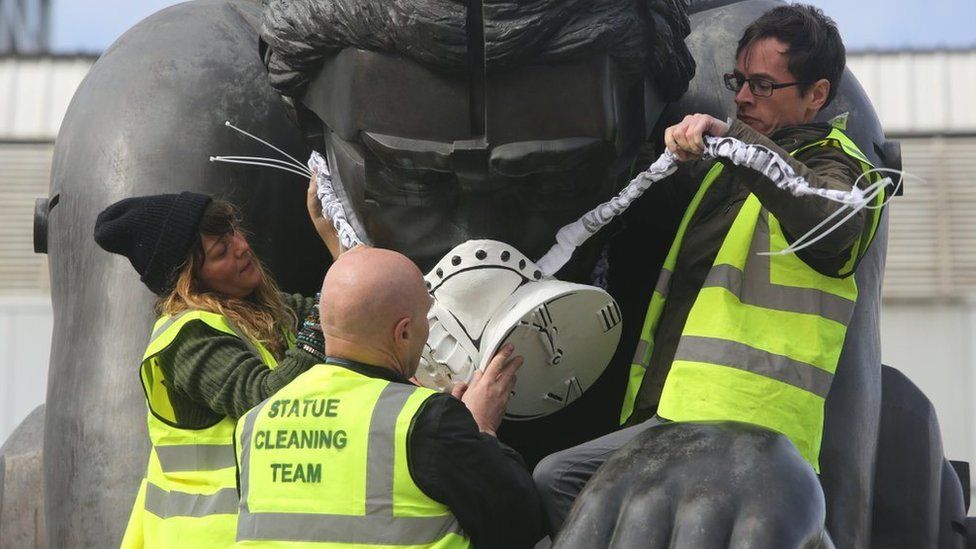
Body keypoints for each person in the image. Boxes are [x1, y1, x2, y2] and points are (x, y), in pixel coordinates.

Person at [533, 3, 886, 532]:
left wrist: (738, 143)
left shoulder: (846, 171)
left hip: (754, 430)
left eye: (763, 85)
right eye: (738, 80)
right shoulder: (727, 175)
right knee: (556, 478)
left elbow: (829, 221)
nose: (742, 97)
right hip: (672, 414)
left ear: (817, 94)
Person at [234, 247, 546, 548]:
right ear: (404, 332)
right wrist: (481, 430)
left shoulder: (254, 422)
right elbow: (523, 523)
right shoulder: (426, 419)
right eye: (427, 317)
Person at [95, 176, 341, 548]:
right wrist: (326, 319)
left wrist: (337, 243)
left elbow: (345, 318)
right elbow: (264, 400)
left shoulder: (265, 311)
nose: (243, 248)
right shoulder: (188, 338)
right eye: (221, 251)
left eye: (236, 233)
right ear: (189, 281)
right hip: (209, 539)